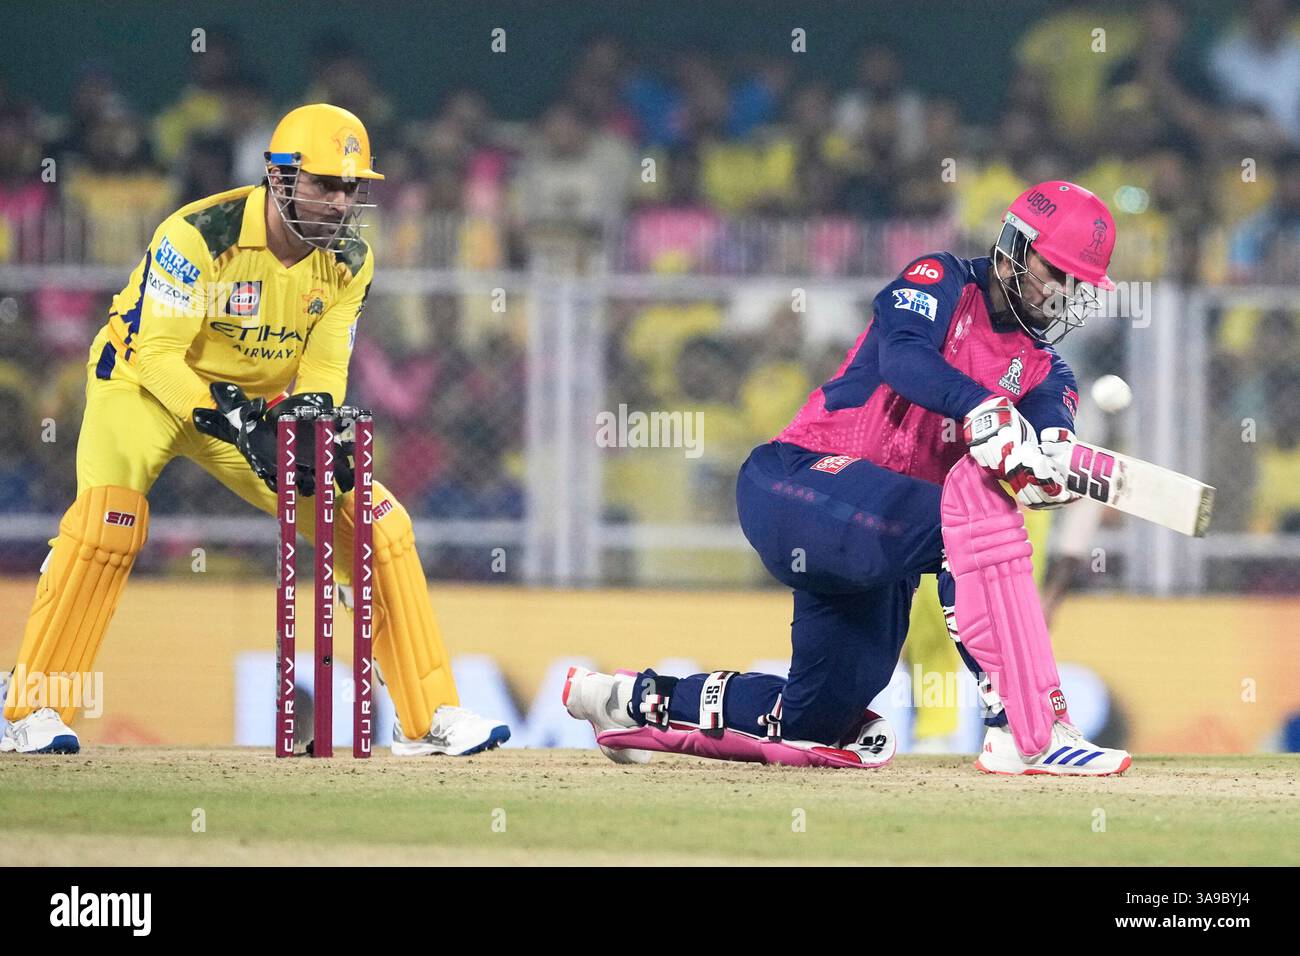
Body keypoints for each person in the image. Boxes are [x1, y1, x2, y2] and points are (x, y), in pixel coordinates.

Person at [566, 181, 1131, 775]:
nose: (1064, 294)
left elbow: (1049, 440)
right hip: (799, 483)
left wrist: (1048, 471)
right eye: (1056, 272)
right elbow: (904, 357)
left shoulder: (1050, 373)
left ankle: (622, 700)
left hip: (879, 541)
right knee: (970, 516)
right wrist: (982, 410)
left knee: (812, 723)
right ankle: (1024, 725)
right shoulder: (939, 280)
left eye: (1078, 284)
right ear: (1017, 246)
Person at [1, 103, 509, 756]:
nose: (340, 203)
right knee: (107, 526)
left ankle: (430, 719)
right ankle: (31, 710)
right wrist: (237, 418)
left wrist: (312, 427)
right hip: (140, 386)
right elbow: (158, 356)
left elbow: (324, 370)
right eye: (326, 184)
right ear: (279, 177)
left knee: (381, 525)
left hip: (251, 408)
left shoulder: (350, 259)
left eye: (352, 188)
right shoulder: (201, 234)